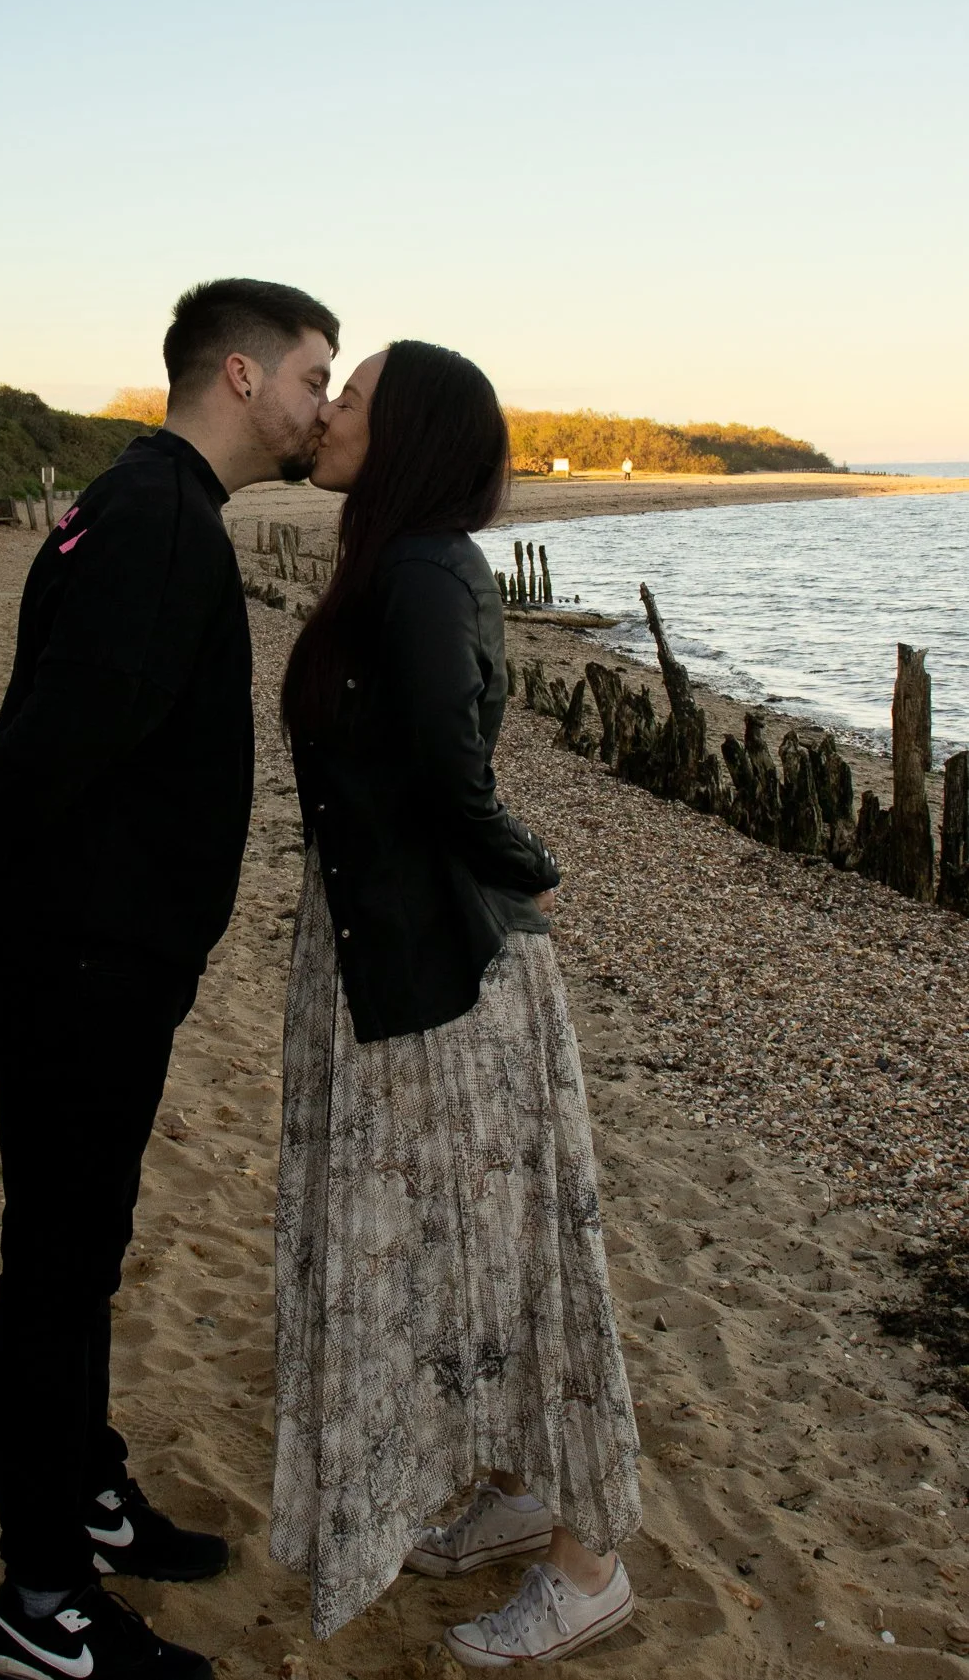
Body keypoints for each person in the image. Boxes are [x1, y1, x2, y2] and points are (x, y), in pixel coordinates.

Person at [0, 279, 339, 1680]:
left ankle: (85, 1496)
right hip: (81, 966)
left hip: (86, 955)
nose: (320, 409)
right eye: (309, 380)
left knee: (78, 1258)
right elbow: (59, 735)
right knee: (52, 1271)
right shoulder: (161, 522)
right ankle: (39, 1611)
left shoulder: (132, 499)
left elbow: (47, 706)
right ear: (238, 373)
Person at [272, 341, 641, 1666]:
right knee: (460, 1245)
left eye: (352, 398)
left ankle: (586, 1564)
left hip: (453, 975)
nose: (327, 413)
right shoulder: (391, 564)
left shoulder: (423, 570)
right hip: (399, 961)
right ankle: (514, 1490)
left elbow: (445, 770)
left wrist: (532, 868)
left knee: (518, 1258)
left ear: (408, 435)